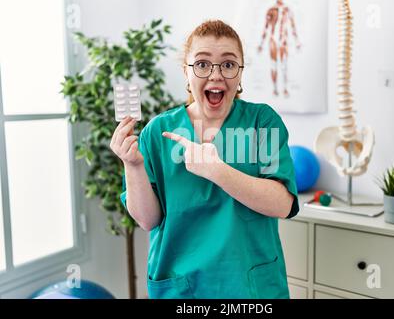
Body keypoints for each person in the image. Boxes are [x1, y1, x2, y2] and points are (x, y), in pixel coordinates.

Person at [110, 20, 299, 299]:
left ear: (240, 73)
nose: (216, 75)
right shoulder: (157, 132)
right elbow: (148, 220)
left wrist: (217, 170)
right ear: (187, 73)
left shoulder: (262, 122)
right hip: (182, 288)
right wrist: (133, 165)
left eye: (228, 64)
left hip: (249, 288)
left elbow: (283, 204)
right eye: (201, 64)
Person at [258, 0, 302, 98]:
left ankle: (285, 88)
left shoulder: (287, 10)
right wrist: (261, 44)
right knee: (274, 65)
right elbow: (265, 28)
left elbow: (293, 26)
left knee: (284, 65)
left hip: (283, 40)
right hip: (273, 40)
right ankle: (274, 89)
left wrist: (297, 42)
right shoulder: (271, 10)